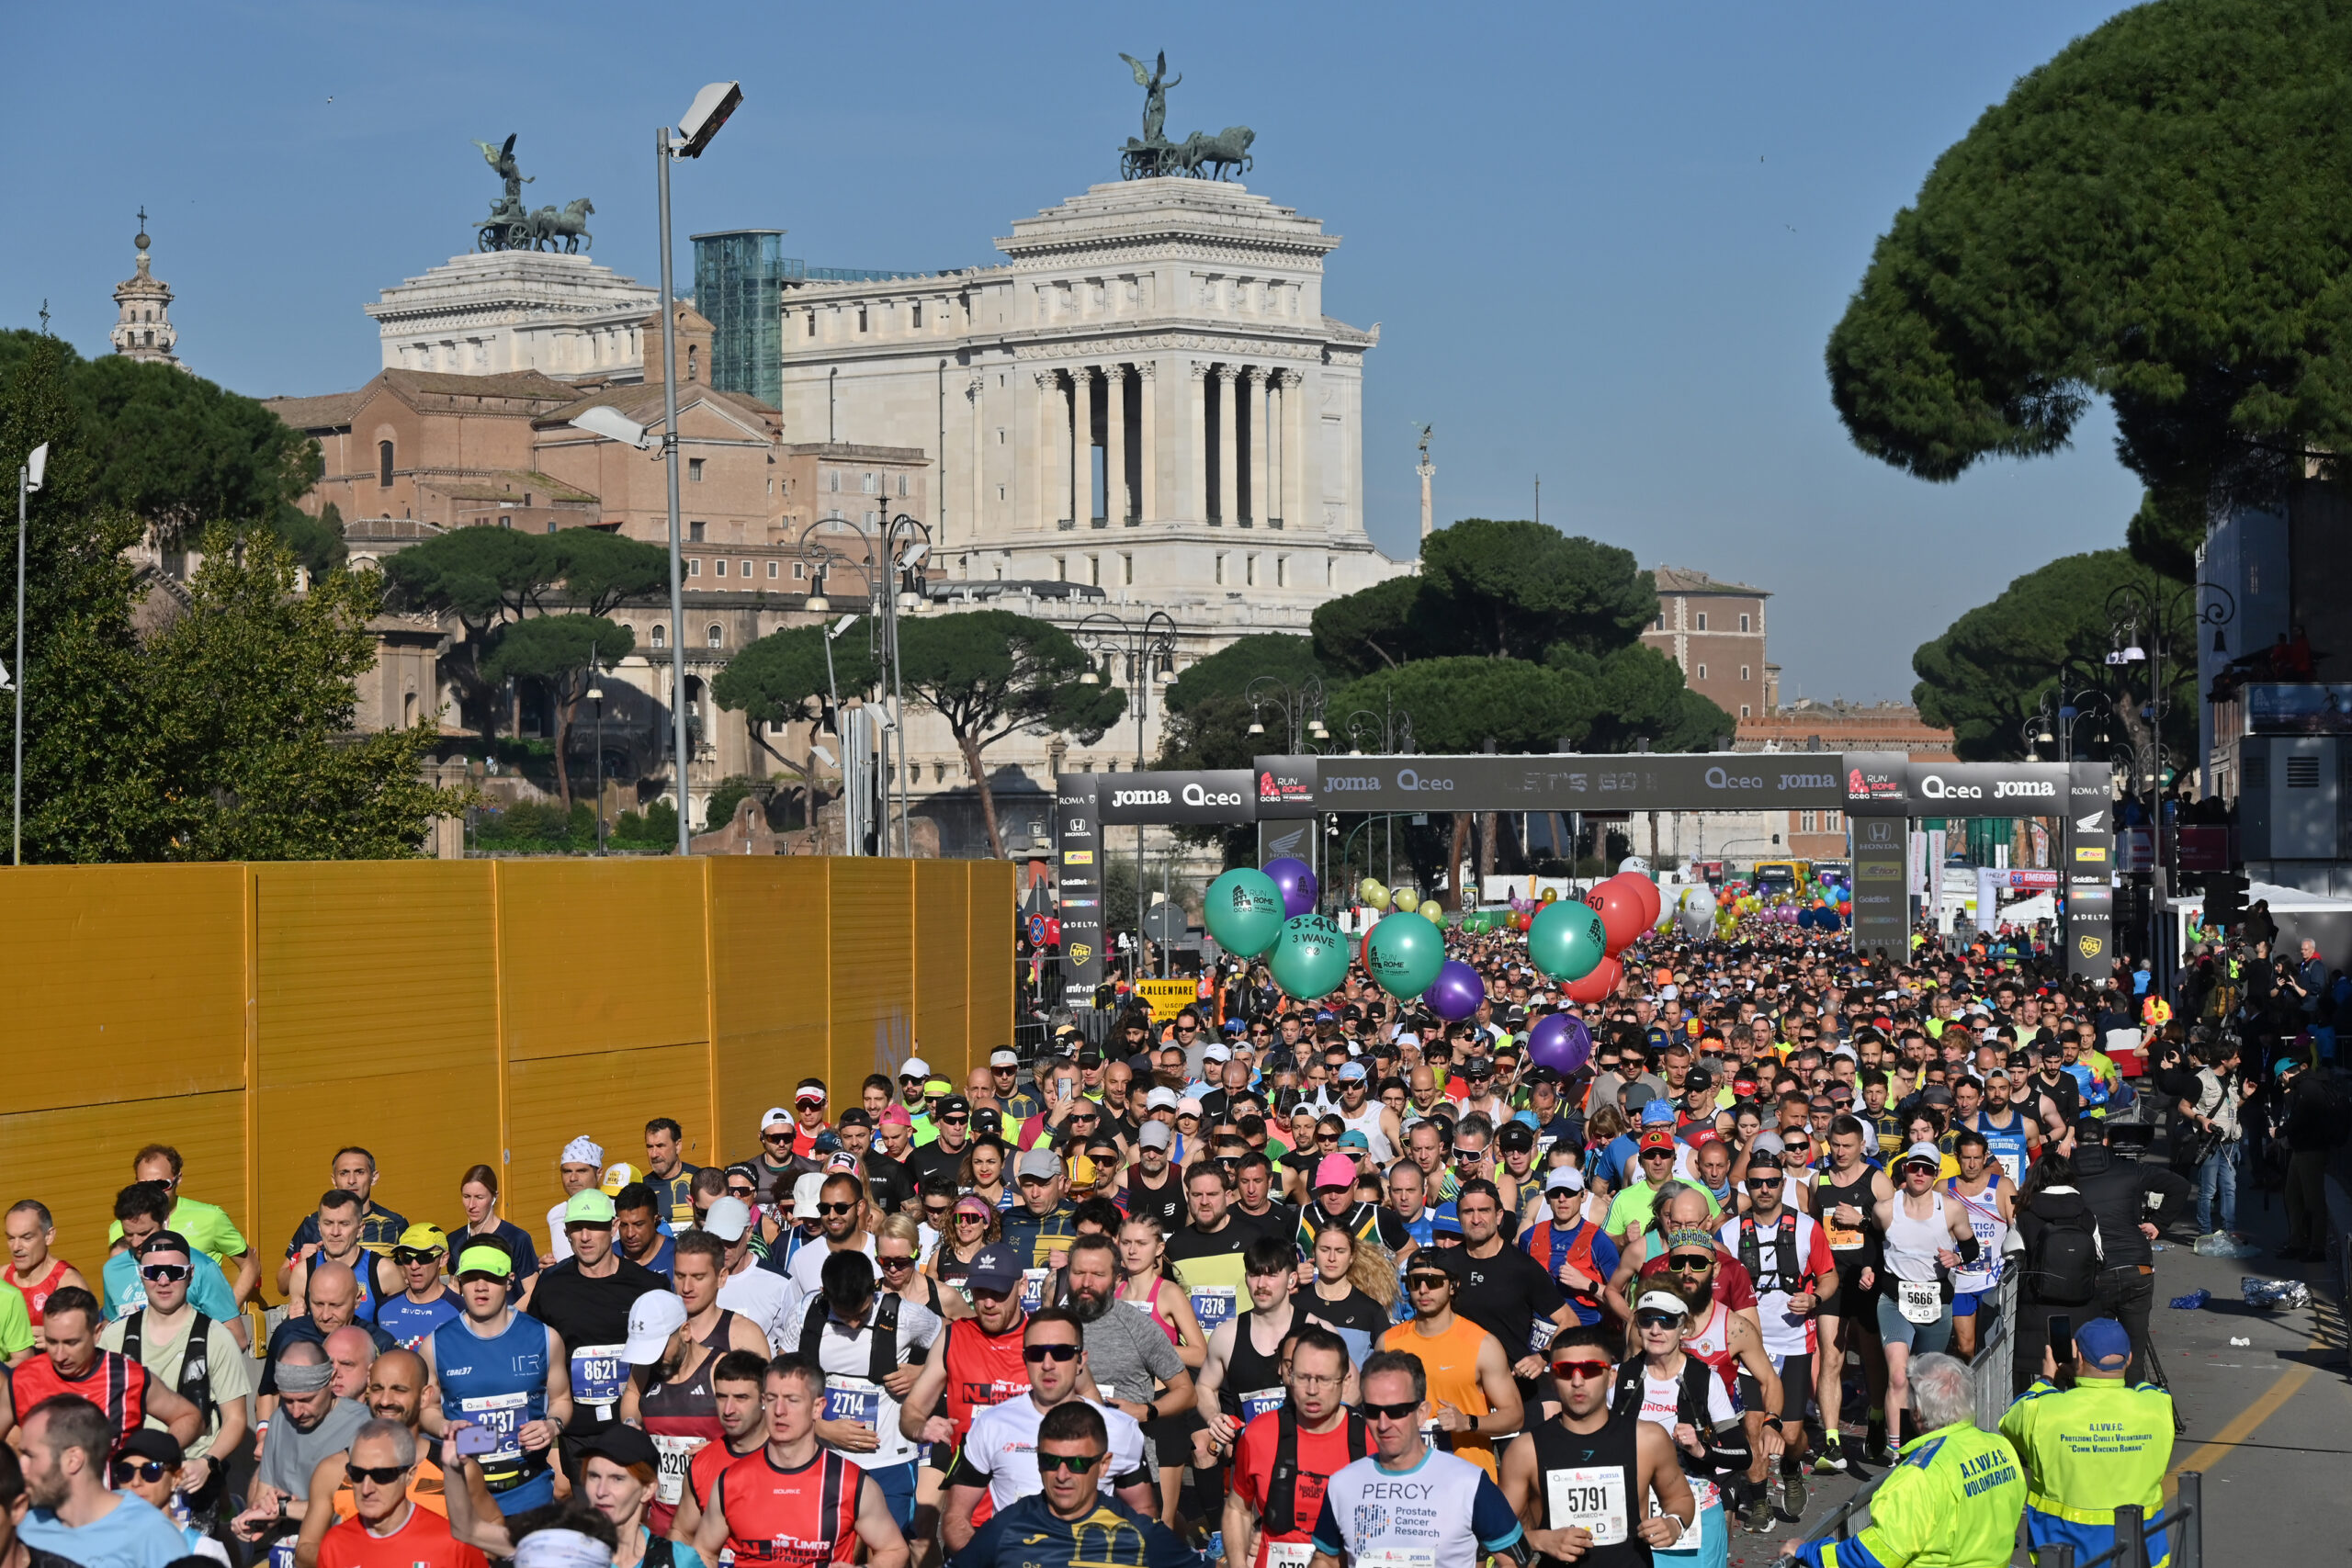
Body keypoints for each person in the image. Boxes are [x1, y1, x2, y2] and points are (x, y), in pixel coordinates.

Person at [941, 1307, 1153, 1548]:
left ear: (1080, 1360)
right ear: (1025, 1359)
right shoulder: (991, 1424)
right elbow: (956, 1518)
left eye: (1062, 1353)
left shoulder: (1120, 1429)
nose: (1048, 1364)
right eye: (1036, 1353)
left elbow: (1143, 1511)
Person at [1303, 1349, 1528, 1568]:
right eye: (1372, 1411)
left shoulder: (1469, 1482)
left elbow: (1514, 1560)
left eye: (1397, 1411)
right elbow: (1327, 1560)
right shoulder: (1342, 1483)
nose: (1383, 1424)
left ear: (1421, 1413)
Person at [1500, 1324, 1695, 1568]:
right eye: (1565, 1370)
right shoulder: (1525, 1450)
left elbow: (1680, 1498)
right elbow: (1499, 1538)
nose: (1578, 1381)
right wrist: (1540, 1540)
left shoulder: (1648, 1438)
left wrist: (1673, 1523)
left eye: (1591, 1369)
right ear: (1552, 1379)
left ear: (1611, 1376)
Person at [695, 1358, 908, 1568]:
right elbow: (703, 1551)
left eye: (792, 1400)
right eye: (771, 1399)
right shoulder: (732, 1480)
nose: (779, 1410)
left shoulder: (850, 1482)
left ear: (817, 1408)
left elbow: (894, 1550)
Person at [1998, 1320, 2176, 1568]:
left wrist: (2047, 1377)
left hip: (2063, 1554)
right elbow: (2143, 1390)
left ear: (2077, 1356)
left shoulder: (2043, 1411)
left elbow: (2010, 1421)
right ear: (2130, 1358)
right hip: (2141, 1555)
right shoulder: (2158, 1407)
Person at [1717, 1150, 1833, 1520]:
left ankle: (1790, 1469)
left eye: (1771, 1182)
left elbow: (1829, 1275)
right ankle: (1760, 1499)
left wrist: (1814, 1297)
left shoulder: (1807, 1227)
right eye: (1756, 1183)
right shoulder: (1729, 1232)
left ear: (1783, 1184)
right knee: (1754, 1426)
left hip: (1795, 1342)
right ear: (1746, 1187)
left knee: (1792, 1435)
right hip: (1749, 1347)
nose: (1764, 1189)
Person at [96, 1231, 250, 1507]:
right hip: (130, 1477)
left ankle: (230, 1523)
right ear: (142, 1275)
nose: (163, 1281)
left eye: (174, 1272)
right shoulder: (114, 1337)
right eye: (154, 1272)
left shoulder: (217, 1337)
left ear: (190, 1274)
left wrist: (208, 1463)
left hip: (190, 1473)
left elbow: (236, 1419)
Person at [897, 1243, 1030, 1551]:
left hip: (1032, 1507)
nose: (988, 1302)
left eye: (998, 1292)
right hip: (968, 1511)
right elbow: (913, 1410)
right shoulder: (954, 1336)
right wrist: (921, 1428)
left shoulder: (1044, 1337)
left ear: (1021, 1286)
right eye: (980, 1291)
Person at [421, 1243, 571, 1516]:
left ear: (509, 1280)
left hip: (530, 1490)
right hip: (465, 1493)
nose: (480, 1286)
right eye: (471, 1278)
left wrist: (552, 1426)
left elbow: (561, 1399)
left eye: (490, 1277)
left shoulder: (545, 1338)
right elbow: (426, 1409)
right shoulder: (435, 1344)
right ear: (458, 1282)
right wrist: (445, 1426)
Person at [794, 1250, 940, 1531]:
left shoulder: (907, 1316)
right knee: (830, 1547)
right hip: (826, 1459)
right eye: (844, 1315)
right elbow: (783, 1382)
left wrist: (921, 1373)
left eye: (860, 1313)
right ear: (825, 1294)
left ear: (874, 1287)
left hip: (890, 1462)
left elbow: (954, 1345)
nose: (852, 1325)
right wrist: (820, 1429)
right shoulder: (806, 1313)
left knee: (890, 1550)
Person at [946, 1402, 1190, 1568]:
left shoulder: (1136, 1533)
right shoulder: (1007, 1527)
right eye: (1051, 1461)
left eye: (1077, 1463)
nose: (1062, 1474)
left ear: (1104, 1465)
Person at [524, 1190, 667, 1445]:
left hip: (636, 1428)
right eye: (577, 1228)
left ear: (613, 1227)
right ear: (567, 1232)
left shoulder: (649, 1286)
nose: (585, 1237)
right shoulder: (550, 1286)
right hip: (574, 1432)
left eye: (595, 1227)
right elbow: (535, 1355)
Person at [1619, 1288, 1746, 1568]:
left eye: (1666, 1321)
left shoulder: (1705, 1380)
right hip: (1637, 1513)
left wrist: (1702, 1451)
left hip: (1696, 1513)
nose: (1655, 1329)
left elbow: (1743, 1455)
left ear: (1684, 1327)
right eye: (1646, 1320)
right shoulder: (1621, 1377)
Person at [1223, 1325, 1367, 1568]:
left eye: (1323, 1380)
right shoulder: (1259, 1433)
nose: (1312, 1390)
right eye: (1302, 1377)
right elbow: (1237, 1508)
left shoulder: (1370, 1438)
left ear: (1345, 1379)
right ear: (1288, 1375)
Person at [1871, 1145, 1977, 1457]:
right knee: (1897, 1373)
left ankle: (1927, 1445)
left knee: (1928, 1380)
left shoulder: (1952, 1209)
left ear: (1937, 1173)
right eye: (1915, 1167)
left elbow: (1972, 1249)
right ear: (1905, 1169)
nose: (1920, 1173)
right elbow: (1874, 1244)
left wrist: (1956, 1257)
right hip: (1895, 1301)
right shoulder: (1886, 1208)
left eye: (1927, 1169)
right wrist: (1868, 1268)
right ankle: (1896, 1450)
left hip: (1935, 1301)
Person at [1377, 1254, 1522, 1483]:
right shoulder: (1387, 1343)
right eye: (1415, 1282)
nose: (1423, 1290)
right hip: (1404, 1480)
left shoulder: (1483, 1345)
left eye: (1433, 1282)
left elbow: (1514, 1416)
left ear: (1453, 1286)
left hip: (1465, 1481)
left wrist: (1468, 1422)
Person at [7, 1290, 201, 1453]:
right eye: (51, 1342)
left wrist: (156, 1459)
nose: (59, 1355)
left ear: (97, 1332)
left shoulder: (128, 1377)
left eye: (71, 1342)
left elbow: (189, 1417)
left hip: (112, 1495)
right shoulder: (22, 1379)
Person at [14, 1396, 189, 1568]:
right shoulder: (26, 1527)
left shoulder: (151, 1535)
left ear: (73, 1460)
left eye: (30, 1456)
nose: (22, 1467)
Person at [237, 1342, 369, 1551]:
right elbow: (262, 1497)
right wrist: (256, 1516)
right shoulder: (280, 1419)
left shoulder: (364, 1427)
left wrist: (283, 1508)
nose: (297, 1412)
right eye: (288, 1400)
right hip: (283, 1549)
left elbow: (354, 1507)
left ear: (332, 1380)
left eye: (307, 1399)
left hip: (340, 1550)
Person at [1193, 1237, 1314, 1466]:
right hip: (1249, 1456)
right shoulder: (1226, 1335)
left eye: (1271, 1275)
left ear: (1292, 1280)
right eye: (1254, 1274)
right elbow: (1204, 1386)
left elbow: (1348, 1388)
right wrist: (1213, 1417)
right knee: (1201, 1446)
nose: (1261, 1284)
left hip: (1303, 1455)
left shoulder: (1316, 1332)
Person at [315, 1417, 485, 1568]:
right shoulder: (335, 1545)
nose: (366, 1489)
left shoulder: (453, 1543)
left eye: (382, 1475)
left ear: (409, 1476)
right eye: (357, 1474)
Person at [662, 1349, 768, 1554]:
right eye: (721, 1397)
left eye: (741, 1398)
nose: (728, 1409)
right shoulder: (703, 1462)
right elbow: (682, 1532)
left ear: (764, 1399)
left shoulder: (789, 1459)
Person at [279, 1150, 410, 1297]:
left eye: (360, 1172)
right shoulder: (312, 1223)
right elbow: (282, 1286)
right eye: (344, 1173)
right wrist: (298, 1263)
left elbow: (413, 1277)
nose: (351, 1180)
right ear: (334, 1180)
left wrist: (390, 1271)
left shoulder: (395, 1224)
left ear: (374, 1177)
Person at [106, 1428, 228, 1565]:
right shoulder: (100, 1544)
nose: (135, 1482)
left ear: (176, 1478)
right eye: (125, 1472)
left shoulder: (204, 1552)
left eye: (151, 1471)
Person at [1940, 1133, 2012, 1360]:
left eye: (1977, 1158)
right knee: (1965, 1348)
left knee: (1993, 1344)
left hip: (1992, 1279)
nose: (1972, 1165)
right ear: (1956, 1157)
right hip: (1959, 1280)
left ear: (1985, 1157)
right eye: (1966, 1158)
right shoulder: (1943, 1188)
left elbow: (2017, 1228)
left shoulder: (2002, 1186)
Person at [451, 1168, 539, 1308]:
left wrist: (506, 1320)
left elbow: (532, 1290)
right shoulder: (455, 1240)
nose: (471, 1205)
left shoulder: (517, 1238)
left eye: (479, 1197)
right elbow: (456, 1288)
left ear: (494, 1197)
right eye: (466, 1197)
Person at [373, 1225, 460, 1352]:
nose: (414, 1266)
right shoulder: (383, 1307)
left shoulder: (461, 1311)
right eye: (406, 1257)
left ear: (443, 1259)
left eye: (424, 1257)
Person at [4, 1203, 87, 1330]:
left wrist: (54, 1338)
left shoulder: (68, 1284)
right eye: (10, 1238)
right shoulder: (2, 1278)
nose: (16, 1247)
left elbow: (88, 1339)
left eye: (26, 1238)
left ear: (49, 1236)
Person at [644, 1119, 705, 1230]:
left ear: (678, 1146)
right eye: (649, 1147)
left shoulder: (701, 1180)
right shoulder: (643, 1187)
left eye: (660, 1146)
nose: (654, 1154)